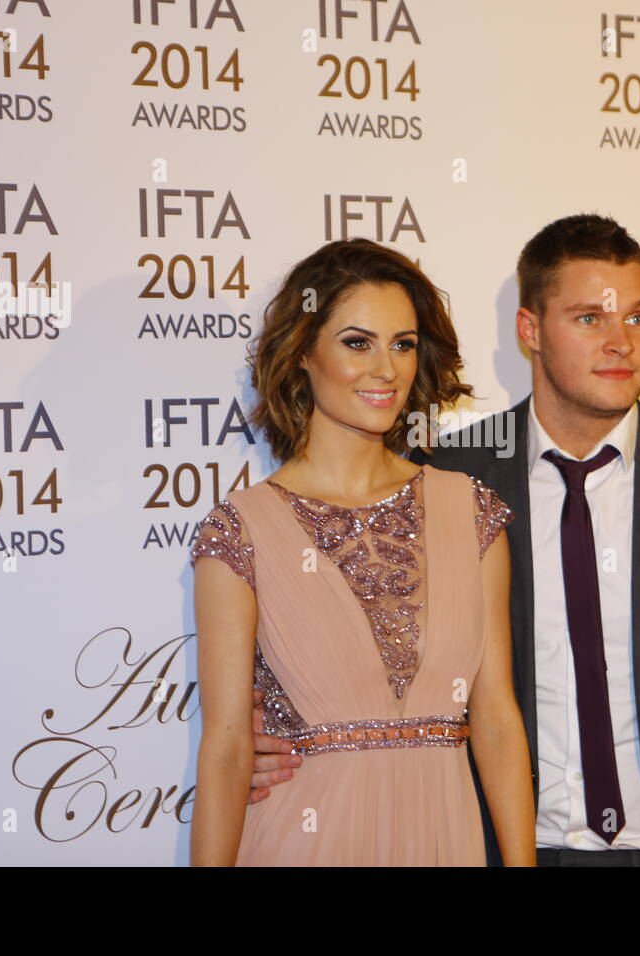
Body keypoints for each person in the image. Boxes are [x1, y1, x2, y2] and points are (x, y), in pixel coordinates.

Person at [248, 214, 640, 867]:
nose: (621, 342)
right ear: (530, 330)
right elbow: (364, 650)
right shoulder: (450, 481)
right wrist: (273, 725)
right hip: (507, 847)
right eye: (590, 319)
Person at [188, 238, 536, 866]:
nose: (387, 369)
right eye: (357, 342)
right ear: (302, 354)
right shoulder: (239, 531)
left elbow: (497, 722)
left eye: (403, 344)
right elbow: (227, 748)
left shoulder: (472, 512)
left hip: (444, 841)